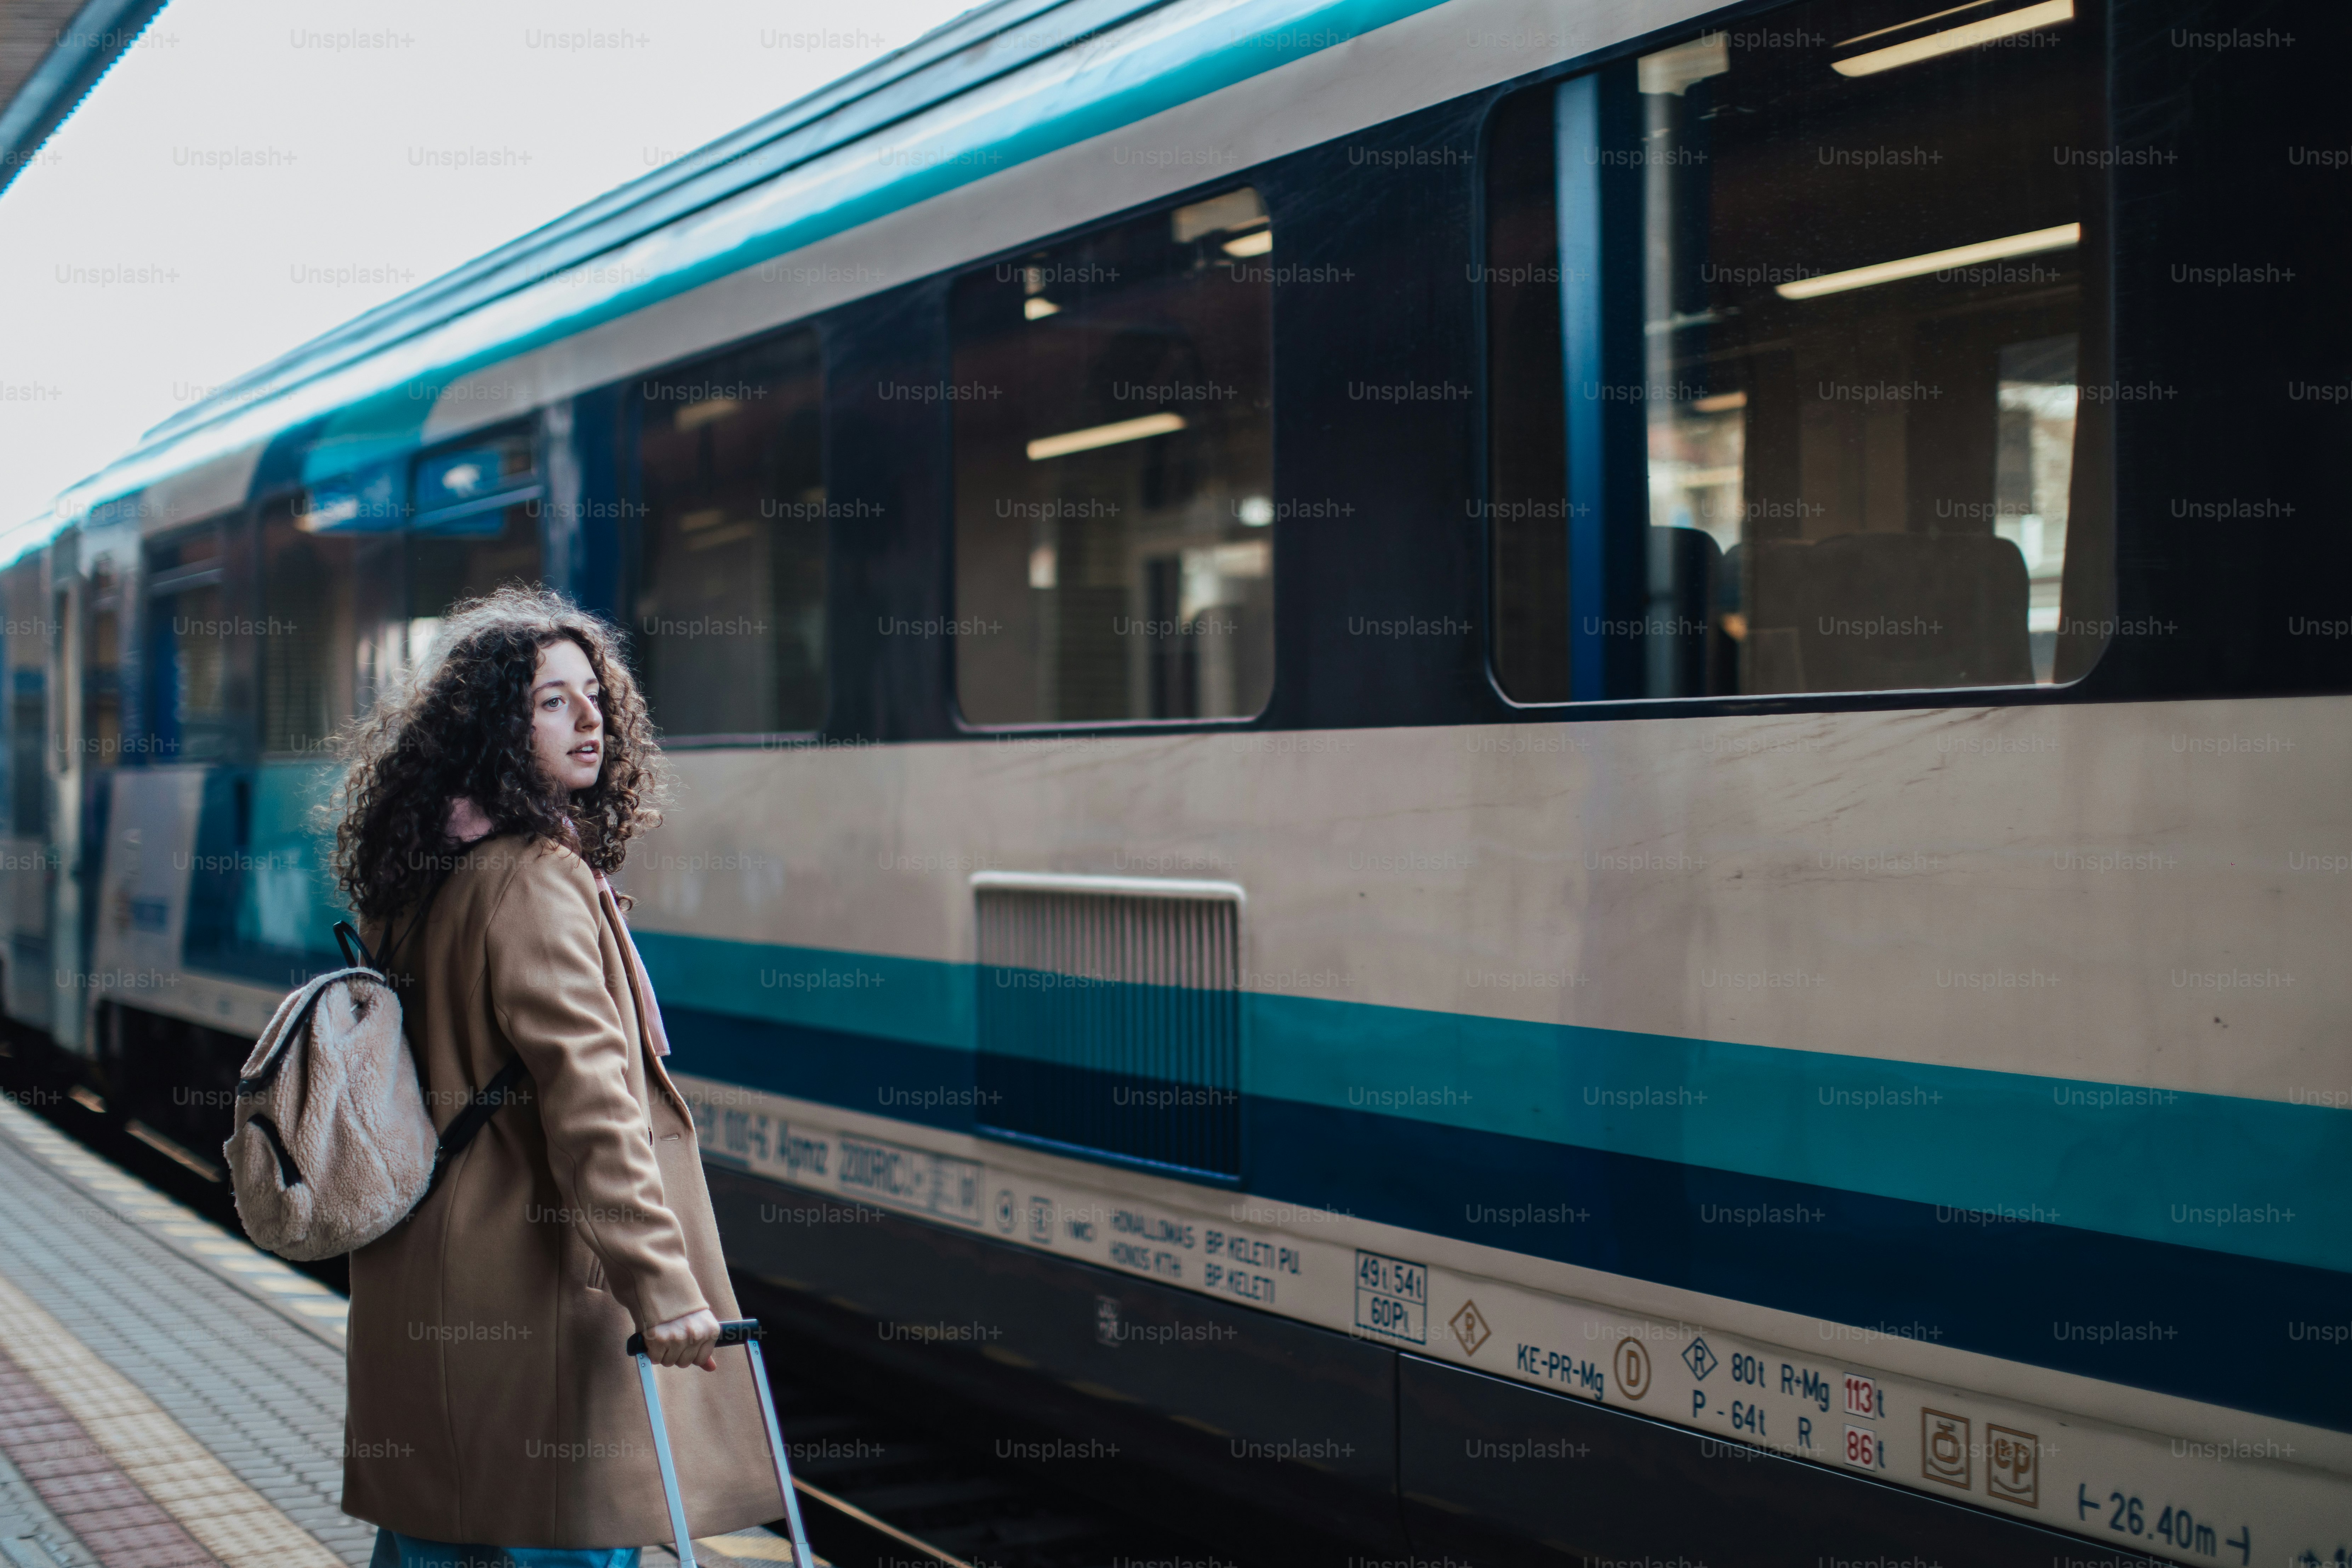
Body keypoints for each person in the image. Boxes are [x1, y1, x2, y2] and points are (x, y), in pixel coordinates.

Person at [329, 587, 780, 1567]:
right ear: (494, 726)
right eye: (549, 702)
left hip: (419, 1289)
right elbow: (593, 1108)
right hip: (528, 1303)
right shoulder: (533, 877)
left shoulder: (416, 879)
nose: (589, 721)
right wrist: (663, 1288)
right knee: (562, 1537)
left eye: (593, 697)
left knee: (434, 1536)